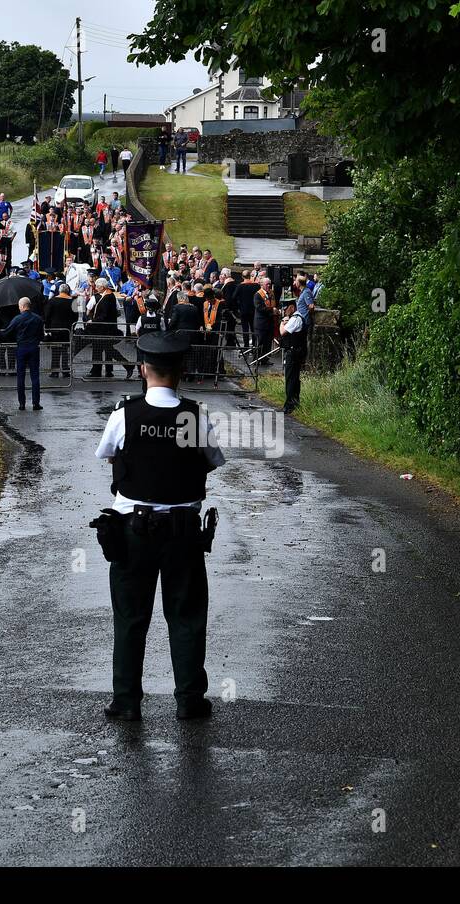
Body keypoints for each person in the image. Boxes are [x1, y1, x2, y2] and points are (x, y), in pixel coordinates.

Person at [92, 331, 224, 720]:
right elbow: (214, 459)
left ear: (142, 369)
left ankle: (127, 701)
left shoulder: (124, 414)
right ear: (181, 370)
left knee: (131, 617)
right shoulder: (195, 416)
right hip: (182, 531)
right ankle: (189, 701)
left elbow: (106, 454)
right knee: (185, 615)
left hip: (133, 530)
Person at [0, 297, 45, 411]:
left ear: (23, 306)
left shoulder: (17, 319)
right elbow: (41, 336)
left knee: (20, 377)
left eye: (19, 306)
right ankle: (36, 403)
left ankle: (22, 403)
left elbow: (7, 332)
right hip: (34, 348)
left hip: (21, 348)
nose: (19, 308)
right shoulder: (38, 319)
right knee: (35, 377)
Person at [281, 277, 315, 413]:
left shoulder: (295, 319)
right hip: (298, 350)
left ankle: (289, 404)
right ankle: (295, 401)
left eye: (286, 307)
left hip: (294, 351)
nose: (284, 309)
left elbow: (282, 332)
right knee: (295, 378)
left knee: (291, 378)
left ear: (291, 307)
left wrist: (282, 321)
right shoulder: (297, 318)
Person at [45, 281, 76, 378]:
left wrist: (47, 329)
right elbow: (75, 317)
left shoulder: (52, 301)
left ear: (59, 291)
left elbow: (47, 316)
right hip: (67, 329)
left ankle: (54, 371)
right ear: (68, 291)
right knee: (65, 350)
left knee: (55, 350)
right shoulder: (72, 301)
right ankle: (65, 370)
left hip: (55, 329)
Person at [252, 277, 278, 366]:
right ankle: (256, 359)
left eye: (269, 284)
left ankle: (265, 359)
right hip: (261, 323)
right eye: (267, 284)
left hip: (270, 322)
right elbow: (259, 308)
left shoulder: (271, 293)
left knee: (268, 342)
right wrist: (272, 310)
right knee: (259, 342)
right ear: (262, 285)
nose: (269, 286)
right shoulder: (257, 295)